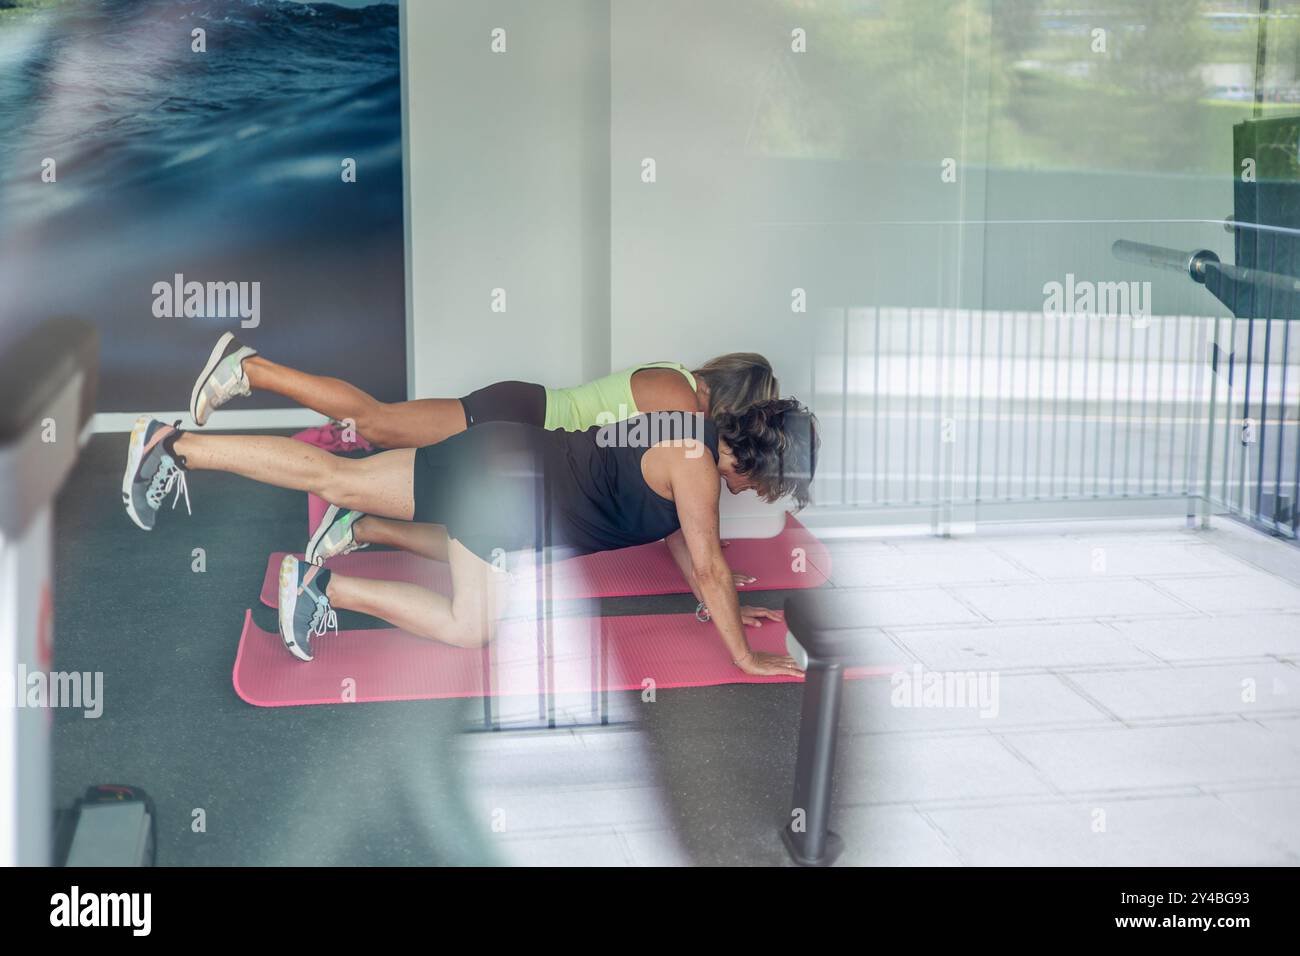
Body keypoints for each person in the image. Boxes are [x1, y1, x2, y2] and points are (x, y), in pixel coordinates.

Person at [122, 398, 818, 676]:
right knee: (472, 626)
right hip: (505, 495)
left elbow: (683, 545)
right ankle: (321, 584)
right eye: (778, 483)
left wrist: (712, 606)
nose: (770, 495)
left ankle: (175, 445)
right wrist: (744, 657)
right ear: (763, 462)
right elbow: (710, 561)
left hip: (499, 454)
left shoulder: (685, 430)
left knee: (338, 477)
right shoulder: (698, 468)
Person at [189, 332, 779, 448]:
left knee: (381, 424)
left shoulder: (677, 378)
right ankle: (252, 370)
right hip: (520, 420)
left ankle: (349, 518)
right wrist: (714, 574)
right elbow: (682, 499)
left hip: (522, 411)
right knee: (377, 422)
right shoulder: (681, 402)